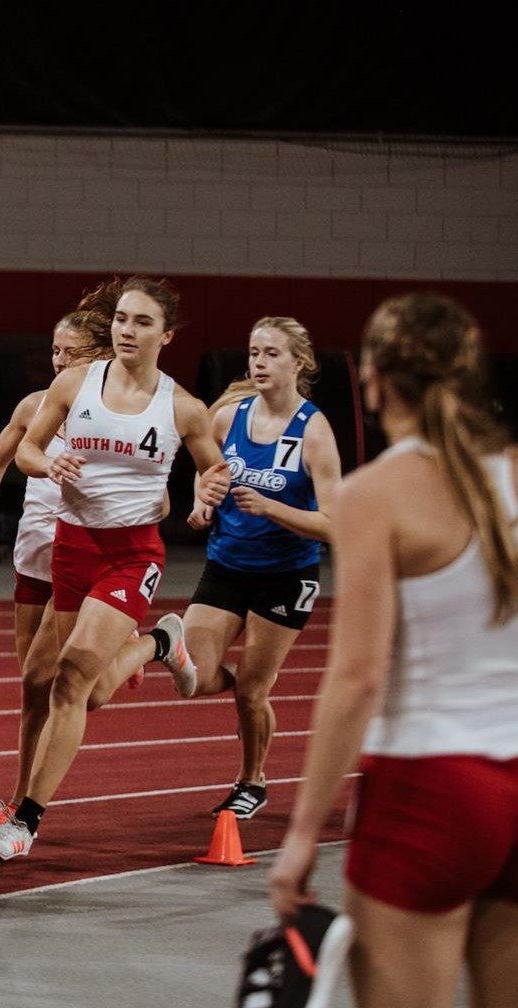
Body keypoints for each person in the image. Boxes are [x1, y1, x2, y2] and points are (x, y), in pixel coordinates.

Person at [269, 292, 518, 1008]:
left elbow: (357, 675)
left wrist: (302, 833)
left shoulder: (377, 493)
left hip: (432, 791)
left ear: (372, 380)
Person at [0, 277, 228, 859]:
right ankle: (160, 643)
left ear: (165, 335)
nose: (126, 330)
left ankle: (24, 822)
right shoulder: (74, 384)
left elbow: (212, 471)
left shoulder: (182, 407)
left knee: (68, 679)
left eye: (141, 322)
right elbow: (26, 451)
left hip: (131, 555)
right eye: (120, 319)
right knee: (85, 694)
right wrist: (49, 462)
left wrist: (204, 495)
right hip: (71, 548)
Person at [0, 284, 165, 825]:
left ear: (98, 355)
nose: (57, 361)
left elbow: (157, 495)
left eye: (69, 353)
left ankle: (148, 645)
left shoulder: (122, 413)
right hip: (35, 556)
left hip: (84, 556)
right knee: (32, 687)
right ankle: (19, 797)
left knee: (63, 686)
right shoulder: (36, 406)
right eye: (53, 351)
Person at [159, 317, 342, 820]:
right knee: (191, 676)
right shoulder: (227, 418)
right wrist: (202, 504)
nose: (258, 362)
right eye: (253, 352)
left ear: (298, 363)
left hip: (286, 575)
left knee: (253, 693)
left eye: (271, 354)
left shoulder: (315, 432)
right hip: (227, 565)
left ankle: (251, 781)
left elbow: (335, 524)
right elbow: (207, 479)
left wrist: (273, 508)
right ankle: (248, 683)